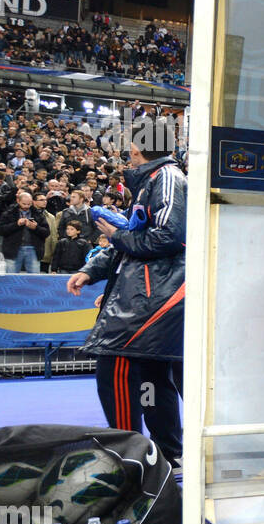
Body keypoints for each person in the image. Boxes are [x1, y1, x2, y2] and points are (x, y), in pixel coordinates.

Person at [66, 142, 186, 470]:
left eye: (131, 149)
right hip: (146, 294)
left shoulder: (168, 177)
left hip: (153, 298)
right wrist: (91, 270)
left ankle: (127, 454)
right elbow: (136, 241)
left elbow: (168, 237)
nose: (128, 155)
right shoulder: (152, 181)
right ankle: (166, 454)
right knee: (152, 373)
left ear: (139, 151)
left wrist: (117, 236)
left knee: (115, 362)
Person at [0, 190, 47, 273]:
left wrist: (35, 228)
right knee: (11, 278)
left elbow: (46, 232)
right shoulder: (8, 213)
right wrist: (16, 224)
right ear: (18, 201)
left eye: (29, 204)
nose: (26, 206)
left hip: (33, 249)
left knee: (35, 280)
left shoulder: (38, 214)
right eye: (24, 204)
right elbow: (1, 230)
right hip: (13, 249)